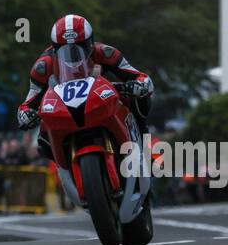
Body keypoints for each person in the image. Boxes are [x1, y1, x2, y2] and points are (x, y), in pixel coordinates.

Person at [16, 14, 153, 163]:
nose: (73, 55)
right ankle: (63, 166)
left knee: (140, 99)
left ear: (90, 43)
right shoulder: (43, 67)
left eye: (79, 47)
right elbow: (26, 104)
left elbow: (141, 77)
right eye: (65, 50)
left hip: (98, 99)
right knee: (43, 138)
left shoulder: (106, 53)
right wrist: (26, 115)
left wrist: (138, 85)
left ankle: (145, 152)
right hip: (64, 110)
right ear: (55, 49)